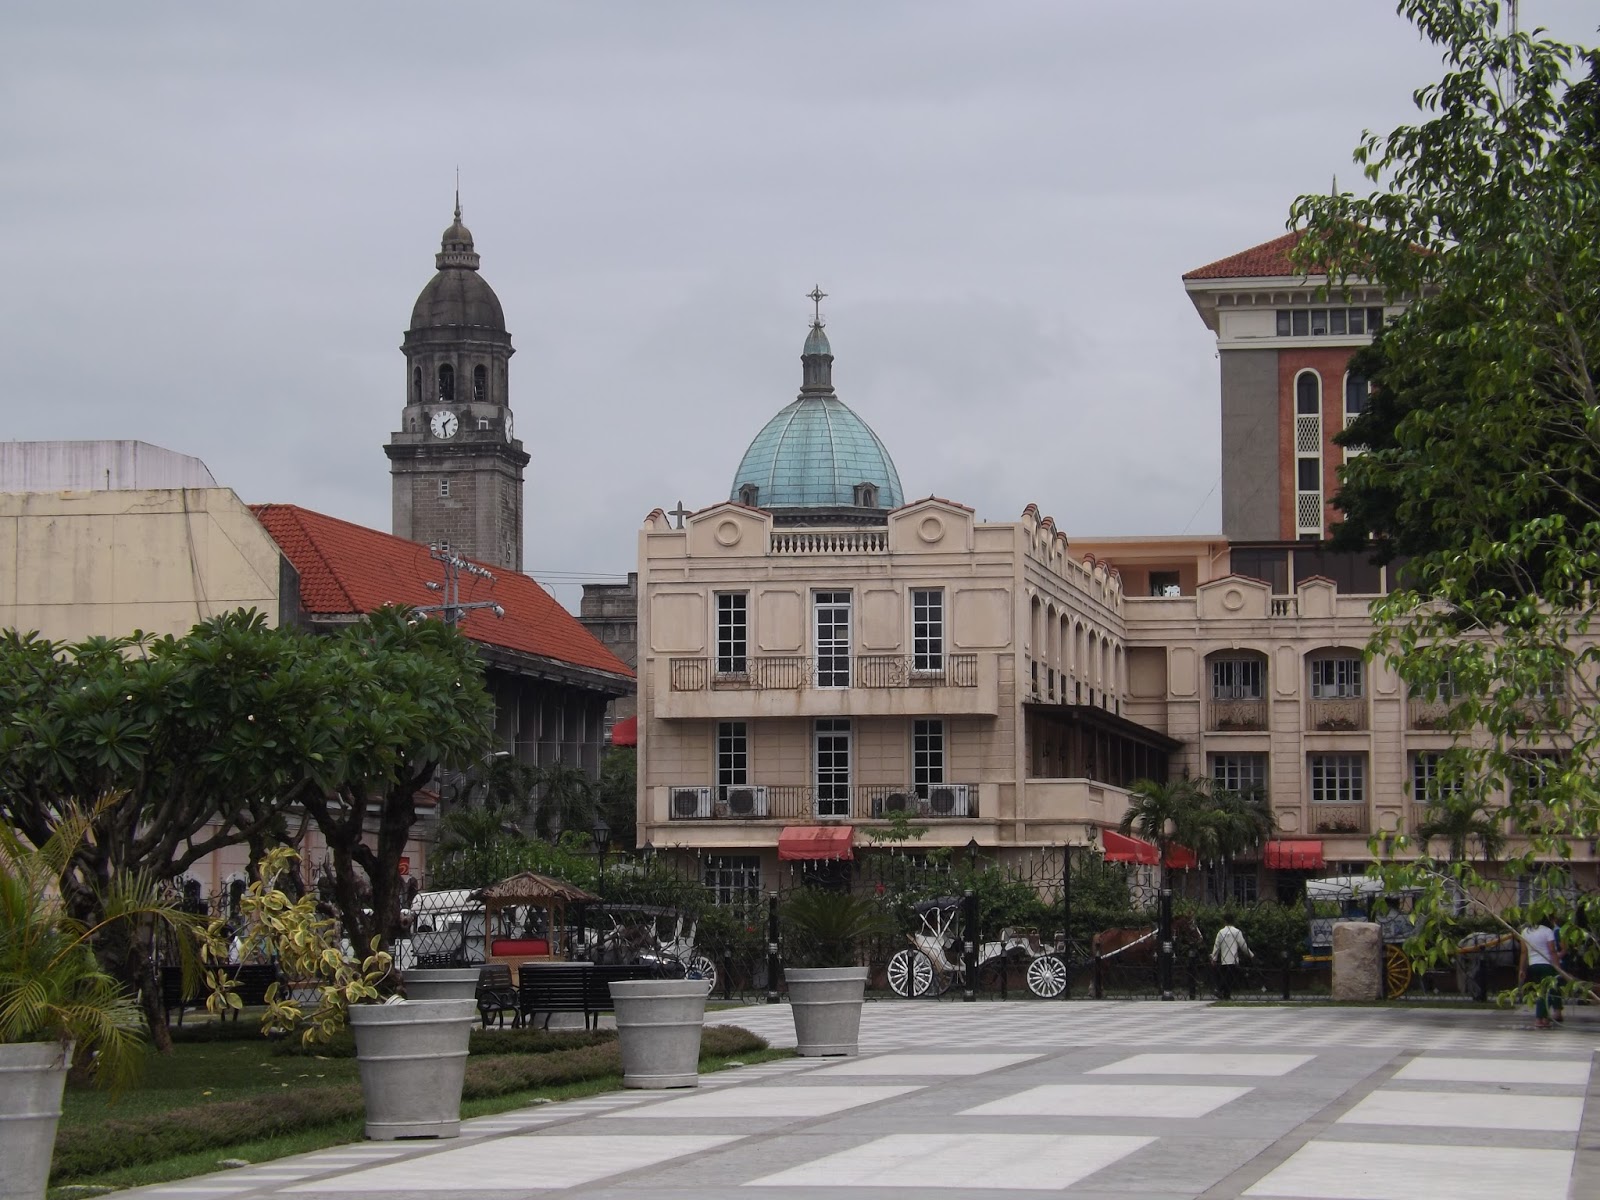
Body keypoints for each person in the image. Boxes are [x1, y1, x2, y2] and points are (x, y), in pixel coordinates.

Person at [1520, 919, 1564, 1028]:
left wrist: (1522, 969)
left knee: (1540, 991)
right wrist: (1557, 966)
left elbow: (1524, 952)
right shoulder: (1547, 931)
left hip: (1533, 965)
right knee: (1547, 992)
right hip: (1546, 964)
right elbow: (1552, 951)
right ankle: (1540, 1018)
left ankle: (1544, 1017)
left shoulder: (1525, 931)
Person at [1211, 913, 1252, 999]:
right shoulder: (1236, 932)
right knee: (1230, 978)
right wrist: (1251, 954)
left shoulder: (1221, 932)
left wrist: (1214, 958)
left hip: (1224, 959)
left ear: (1224, 921)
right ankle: (1221, 991)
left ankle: (1224, 994)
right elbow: (1243, 945)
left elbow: (1216, 946)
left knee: (1226, 977)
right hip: (1233, 959)